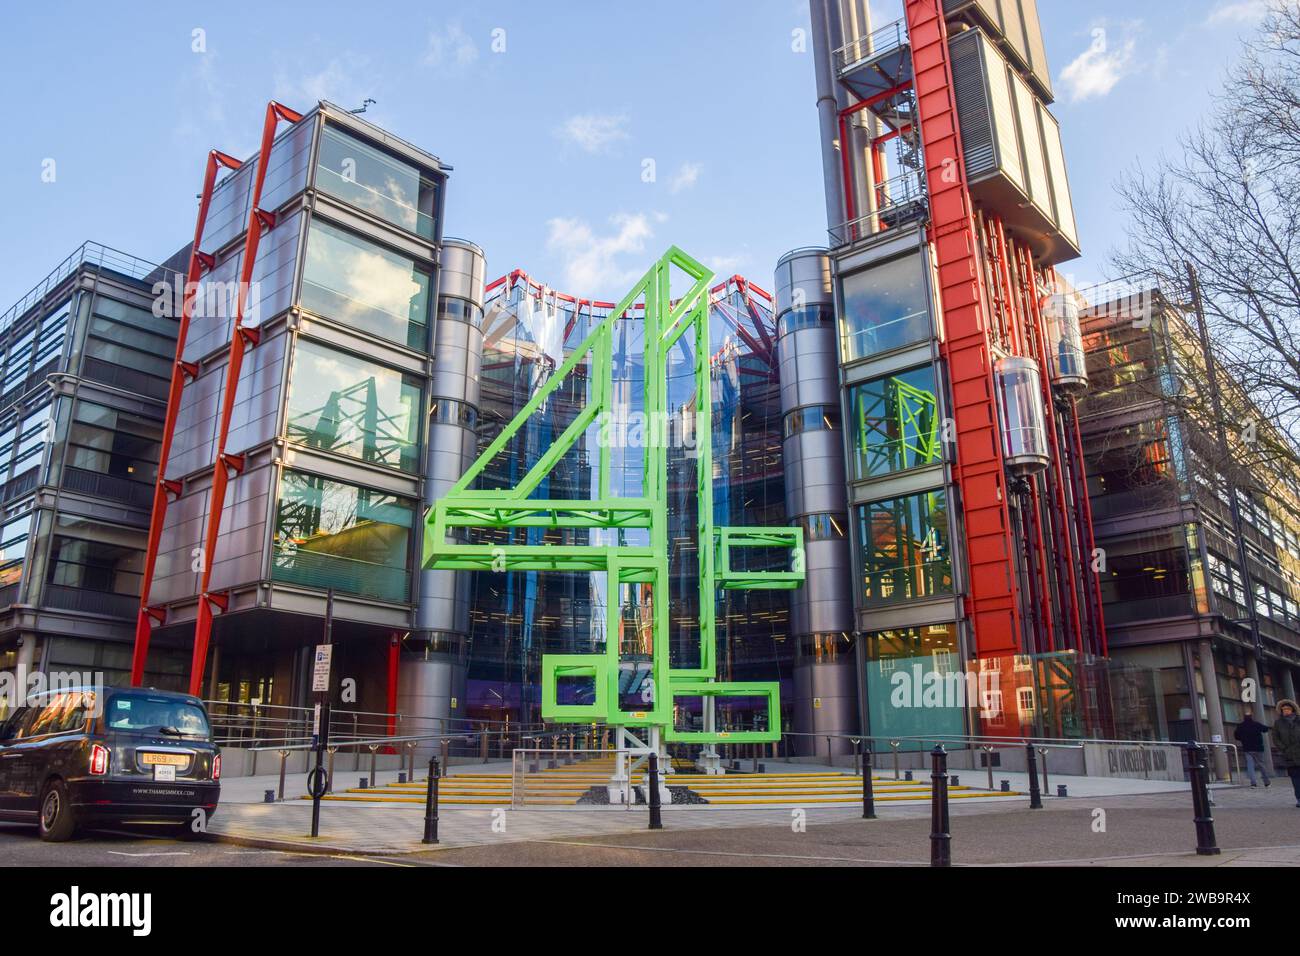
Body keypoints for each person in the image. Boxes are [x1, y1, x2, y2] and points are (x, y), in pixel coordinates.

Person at [1233, 709, 1271, 787]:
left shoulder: (1240, 726)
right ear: (1251, 717)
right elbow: (1266, 729)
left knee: (1250, 765)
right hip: (1258, 748)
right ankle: (1266, 782)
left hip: (1247, 748)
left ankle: (1253, 783)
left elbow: (1236, 736)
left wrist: (1243, 739)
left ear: (1244, 717)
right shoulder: (1256, 724)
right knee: (1261, 765)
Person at [1274, 699, 1300, 808]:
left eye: (1288, 709)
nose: (1286, 711)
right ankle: (1299, 798)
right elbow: (1276, 737)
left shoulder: (1298, 720)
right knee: (1295, 778)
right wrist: (1283, 748)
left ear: (1293, 709)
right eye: (1283, 709)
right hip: (1289, 755)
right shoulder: (1278, 723)